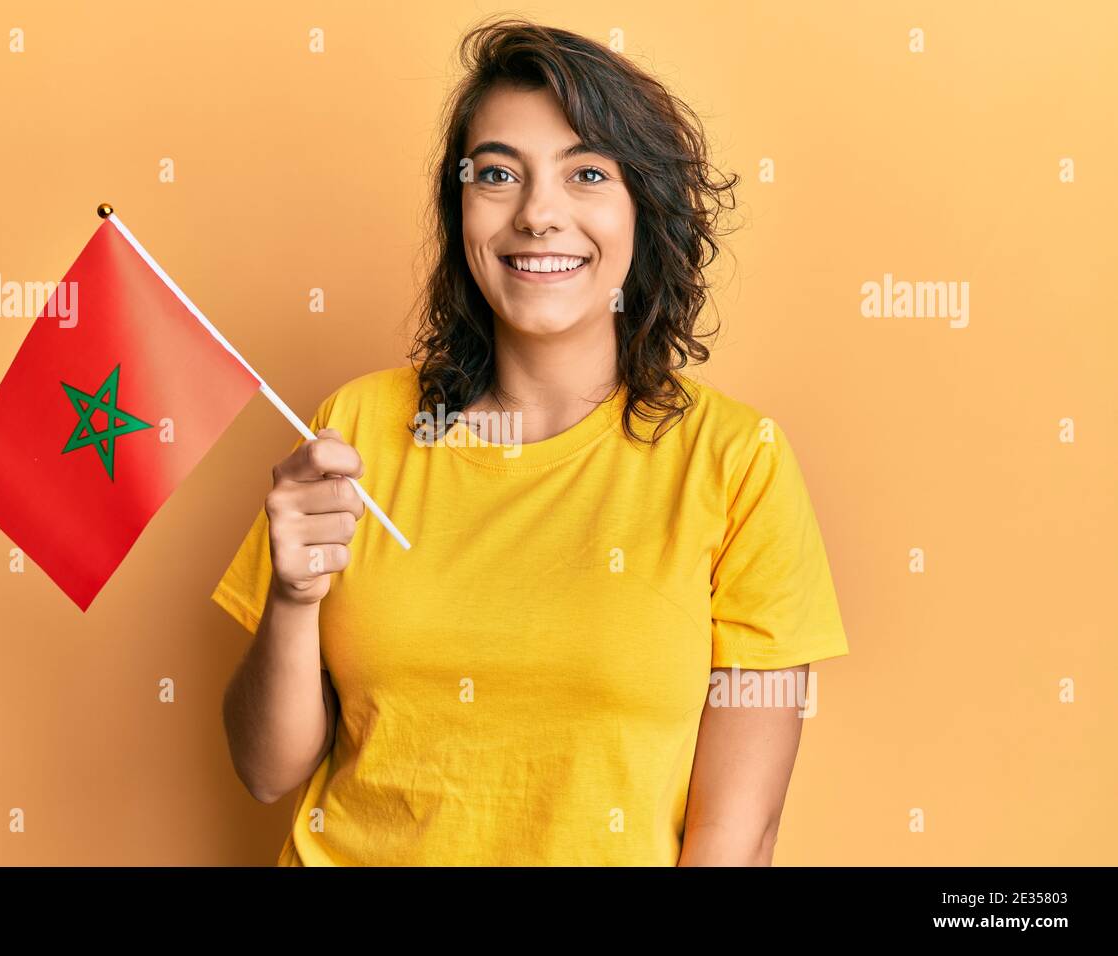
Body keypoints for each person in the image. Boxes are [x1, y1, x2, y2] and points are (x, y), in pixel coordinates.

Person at [214, 17, 849, 866]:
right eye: (498, 174)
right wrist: (292, 600)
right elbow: (266, 770)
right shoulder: (353, 432)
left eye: (587, 173)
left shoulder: (739, 463)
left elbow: (738, 836)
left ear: (643, 211)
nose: (538, 215)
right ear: (460, 208)